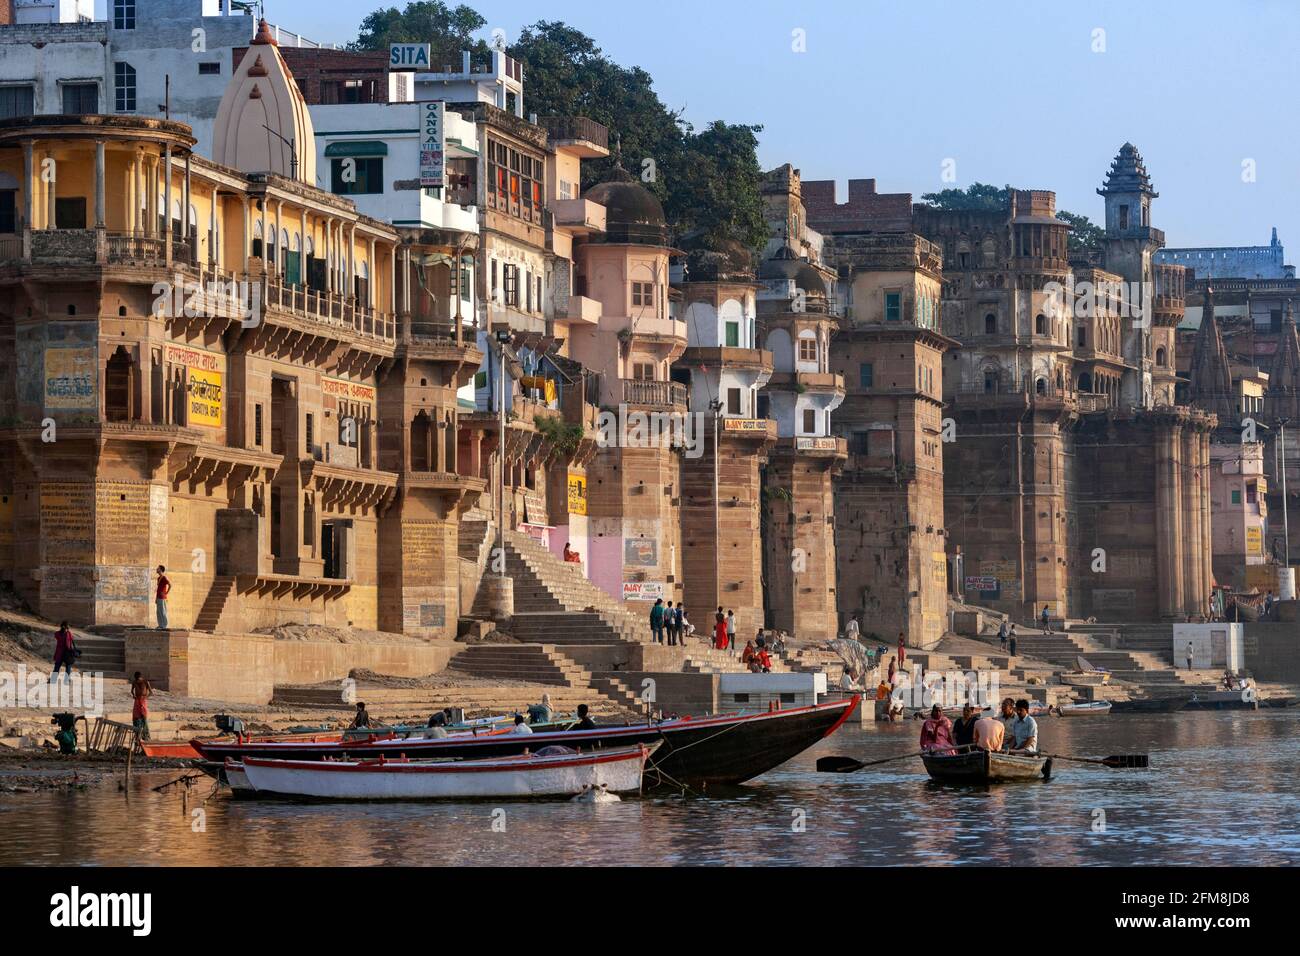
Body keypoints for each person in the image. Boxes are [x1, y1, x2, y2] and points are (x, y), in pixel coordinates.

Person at [130, 672, 152, 741]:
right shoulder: (134, 682)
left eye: (138, 679)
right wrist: (133, 695)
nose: (137, 680)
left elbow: (151, 692)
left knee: (144, 718)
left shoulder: (146, 682)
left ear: (140, 677)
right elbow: (132, 691)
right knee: (136, 718)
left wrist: (145, 697)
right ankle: (137, 735)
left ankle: (146, 736)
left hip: (143, 701)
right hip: (137, 701)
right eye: (136, 679)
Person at [155, 565, 171, 629]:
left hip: (162, 597)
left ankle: (164, 625)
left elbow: (170, 585)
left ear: (161, 570)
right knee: (158, 612)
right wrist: (156, 598)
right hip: (158, 597)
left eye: (158, 568)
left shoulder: (164, 578)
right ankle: (160, 625)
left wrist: (166, 593)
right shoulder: (158, 578)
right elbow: (158, 589)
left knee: (163, 611)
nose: (156, 569)